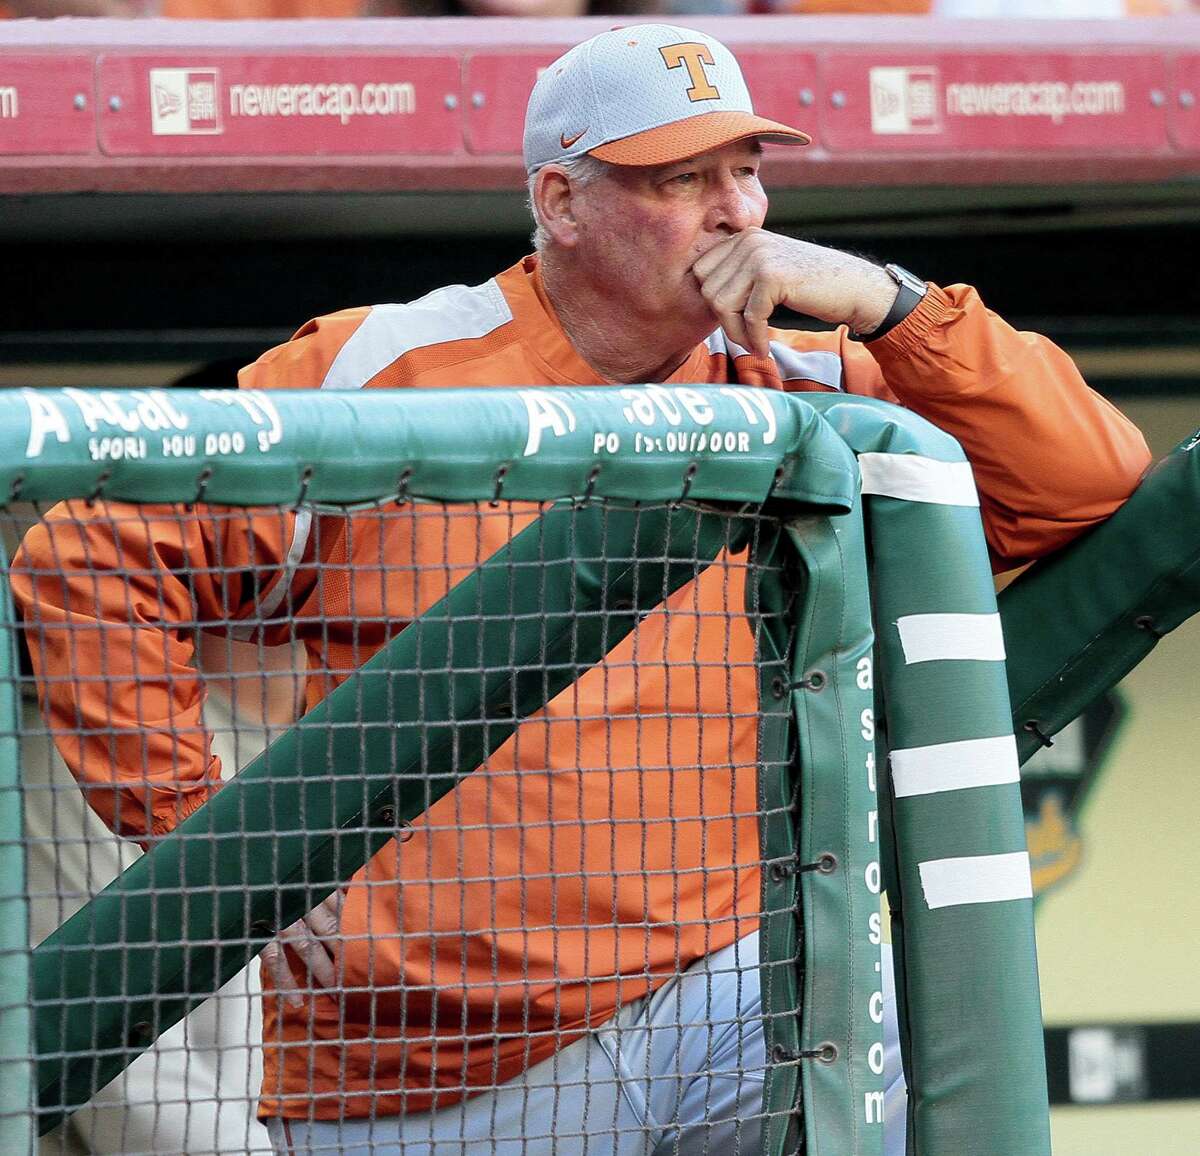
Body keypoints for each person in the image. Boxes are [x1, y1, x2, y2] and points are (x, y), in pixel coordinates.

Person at [12, 23, 1150, 1156]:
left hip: (728, 998)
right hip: (432, 1060)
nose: (739, 214)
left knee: (864, 1013)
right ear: (561, 201)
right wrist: (222, 856)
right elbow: (86, 557)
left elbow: (1085, 483)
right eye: (683, 179)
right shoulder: (382, 368)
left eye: (747, 172)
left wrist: (888, 301)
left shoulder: (803, 375)